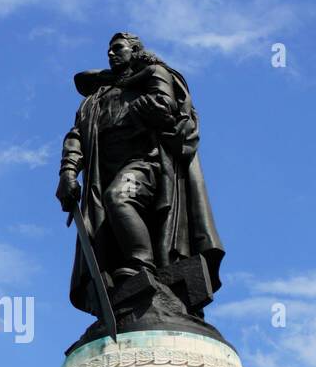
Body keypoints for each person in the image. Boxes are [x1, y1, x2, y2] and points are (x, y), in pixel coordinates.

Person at [56, 32, 224, 310]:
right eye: (108, 50)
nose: (110, 54)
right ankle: (129, 279)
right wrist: (68, 172)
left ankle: (141, 264)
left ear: (135, 51)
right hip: (103, 170)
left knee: (119, 197)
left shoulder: (154, 74)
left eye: (117, 48)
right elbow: (76, 136)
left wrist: (156, 112)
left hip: (147, 161)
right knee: (107, 225)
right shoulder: (96, 98)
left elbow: (169, 110)